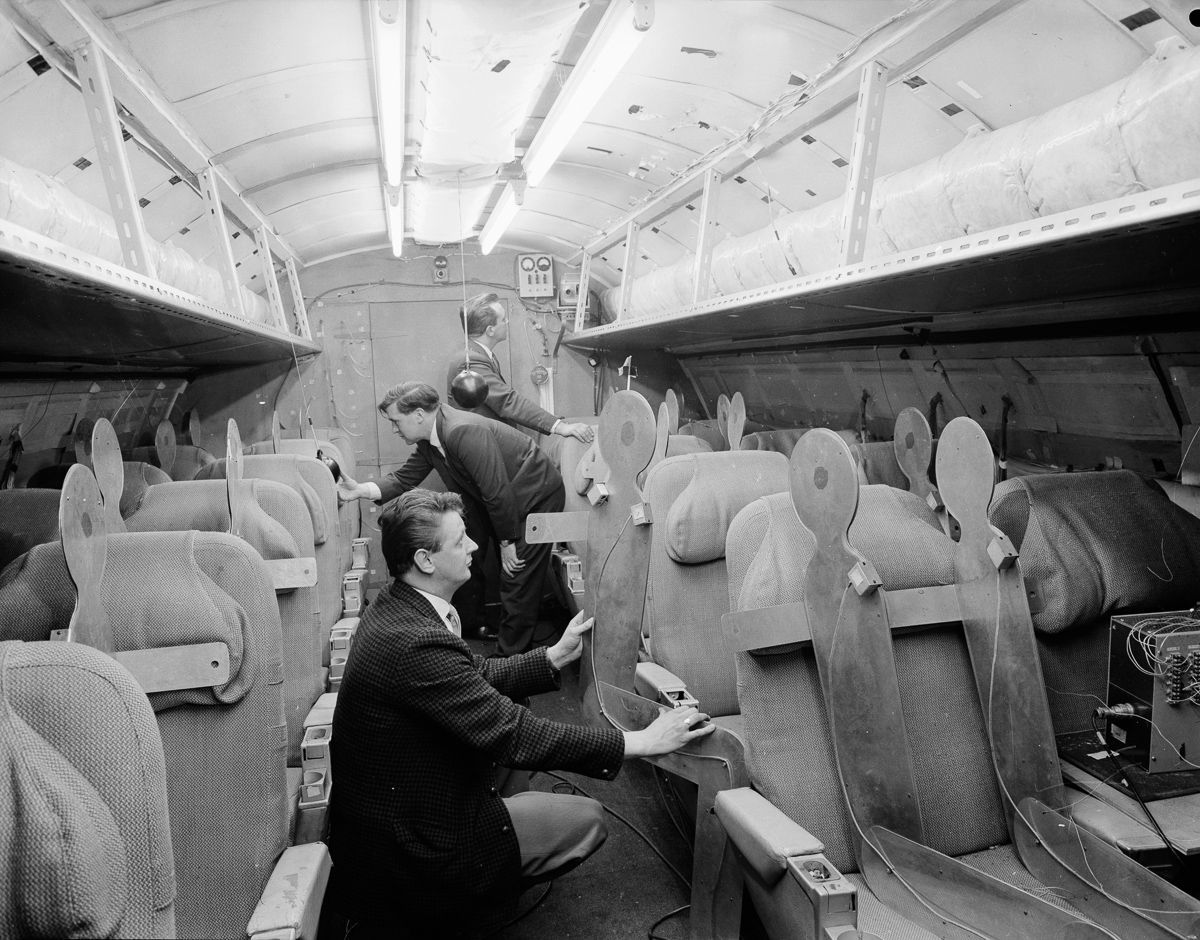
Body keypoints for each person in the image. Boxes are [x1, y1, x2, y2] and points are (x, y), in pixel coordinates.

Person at [328, 488, 713, 939]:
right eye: (460, 541)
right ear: (425, 561)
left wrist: (553, 655)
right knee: (587, 820)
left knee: (514, 722)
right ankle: (460, 903)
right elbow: (517, 735)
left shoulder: (400, 606)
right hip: (414, 848)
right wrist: (640, 742)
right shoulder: (413, 642)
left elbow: (472, 674)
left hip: (401, 809)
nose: (474, 546)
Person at [338, 381, 560, 655]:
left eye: (396, 421)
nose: (395, 429)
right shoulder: (432, 439)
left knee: (517, 575)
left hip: (533, 497)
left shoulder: (461, 430)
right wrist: (360, 490)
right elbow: (404, 478)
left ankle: (511, 662)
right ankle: (472, 628)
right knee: (466, 551)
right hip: (498, 498)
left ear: (419, 415)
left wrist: (508, 543)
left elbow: (496, 490)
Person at [447, 291, 594, 444]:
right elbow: (507, 401)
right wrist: (560, 427)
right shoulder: (472, 361)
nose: (507, 322)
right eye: (503, 320)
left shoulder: (480, 355)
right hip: (479, 444)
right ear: (490, 330)